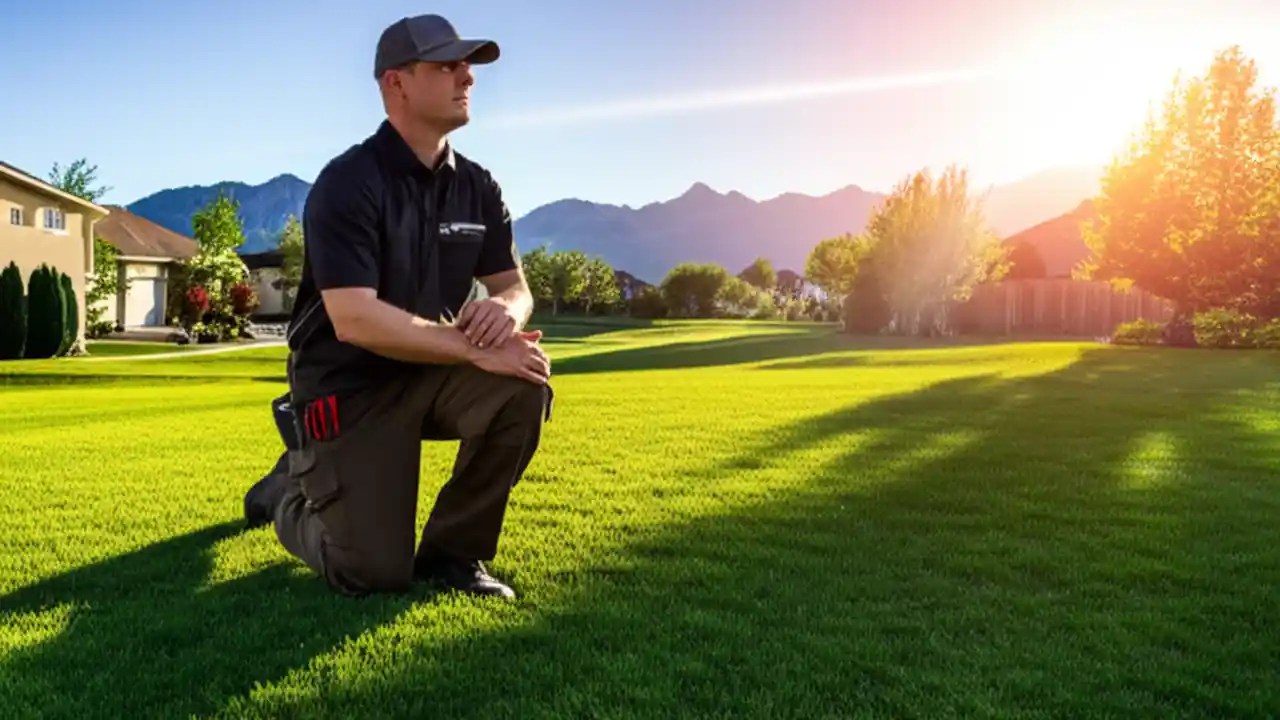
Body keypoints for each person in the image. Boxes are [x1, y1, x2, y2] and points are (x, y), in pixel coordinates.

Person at [242, 14, 552, 600]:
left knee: (524, 383)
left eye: (468, 66)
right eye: (447, 65)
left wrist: (507, 313)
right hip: (346, 387)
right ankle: (285, 492)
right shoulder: (347, 184)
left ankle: (453, 558)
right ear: (396, 83)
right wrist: (470, 347)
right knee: (372, 574)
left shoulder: (478, 186)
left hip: (428, 373)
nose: (467, 76)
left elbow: (515, 285)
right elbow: (354, 319)